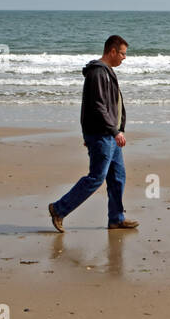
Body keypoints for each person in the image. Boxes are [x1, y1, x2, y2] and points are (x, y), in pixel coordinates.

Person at [48, 35, 139, 231]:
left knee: (118, 177)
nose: (124, 57)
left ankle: (116, 218)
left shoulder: (107, 72)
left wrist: (119, 128)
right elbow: (98, 107)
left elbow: (112, 104)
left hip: (109, 135)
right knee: (97, 177)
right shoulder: (98, 72)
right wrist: (112, 131)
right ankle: (58, 209)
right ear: (112, 51)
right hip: (103, 135)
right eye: (122, 53)